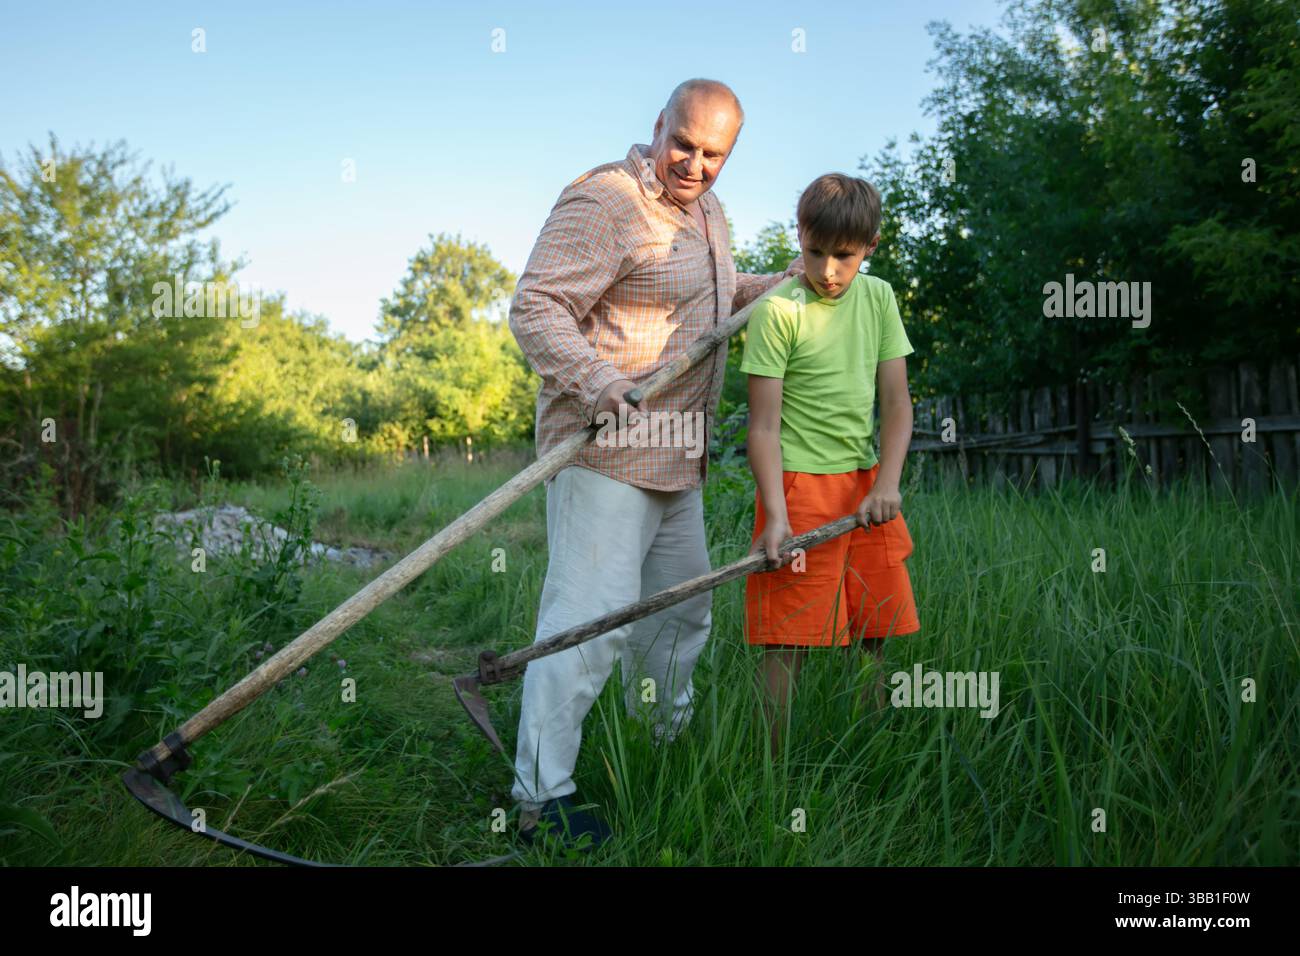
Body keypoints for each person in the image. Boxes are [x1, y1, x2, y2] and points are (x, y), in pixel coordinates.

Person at [507, 78, 803, 848]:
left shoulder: (707, 212)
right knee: (587, 625)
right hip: (604, 451)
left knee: (679, 617)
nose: (696, 164)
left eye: (714, 154)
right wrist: (602, 384)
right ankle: (541, 798)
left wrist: (790, 287)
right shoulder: (606, 199)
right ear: (657, 125)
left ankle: (659, 752)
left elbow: (716, 296)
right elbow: (536, 305)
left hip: (680, 458)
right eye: (684, 144)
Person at [740, 172, 921, 758]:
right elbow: (763, 426)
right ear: (800, 235)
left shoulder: (880, 298)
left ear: (870, 245)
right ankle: (771, 771)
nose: (827, 271)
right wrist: (775, 515)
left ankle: (871, 753)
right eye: (814, 252)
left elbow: (896, 403)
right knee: (786, 637)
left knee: (874, 628)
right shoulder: (777, 311)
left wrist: (887, 483)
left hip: (865, 486)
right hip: (797, 489)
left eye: (844, 256)